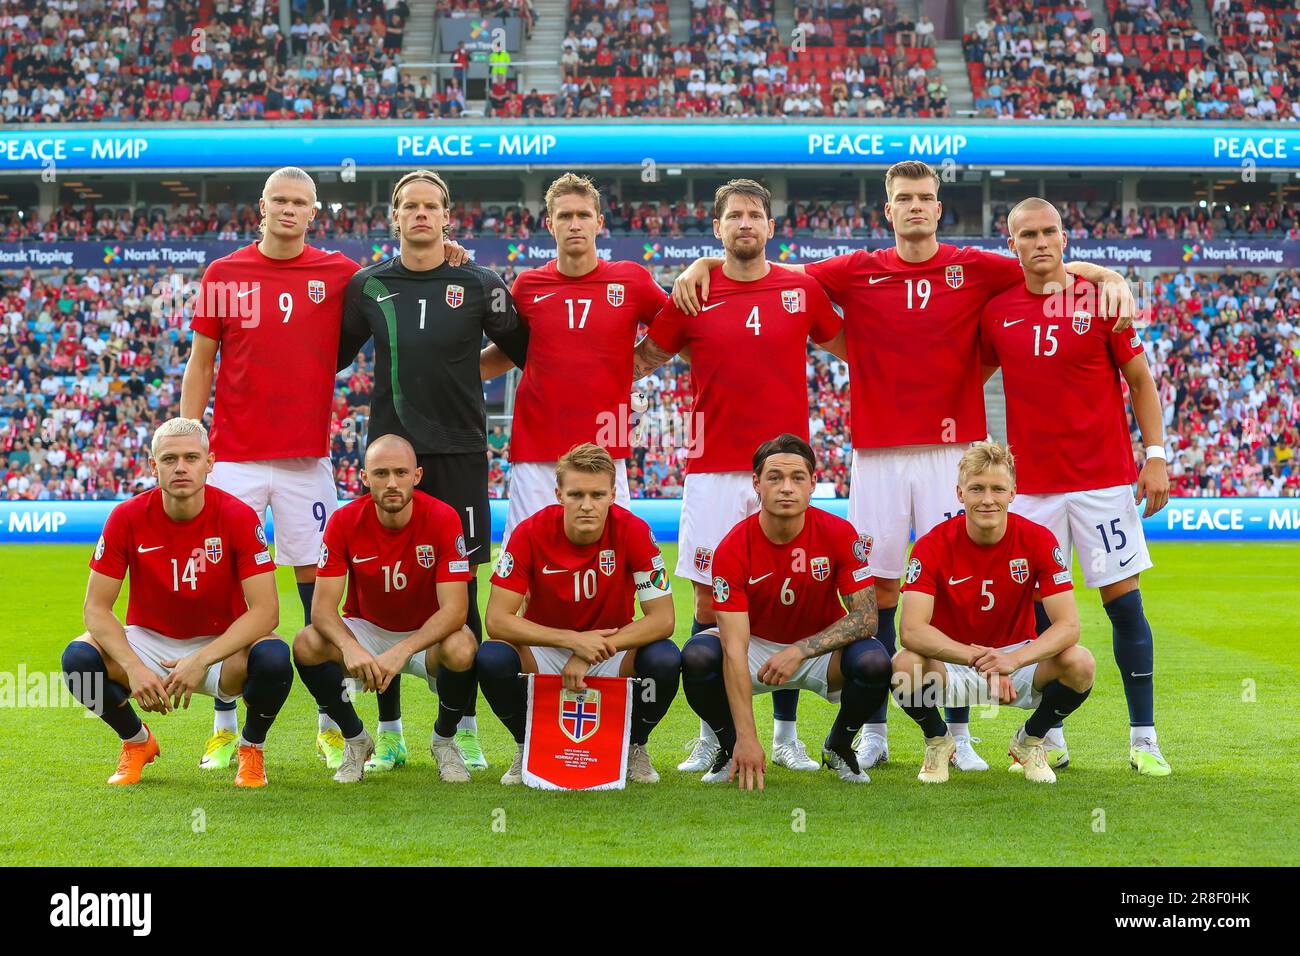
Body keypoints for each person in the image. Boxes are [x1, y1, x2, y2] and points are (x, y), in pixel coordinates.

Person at [671, 160, 1134, 773]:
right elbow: (764, 273)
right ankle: (875, 730)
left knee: (950, 592)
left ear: (939, 208)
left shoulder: (975, 266)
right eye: (902, 199)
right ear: (886, 210)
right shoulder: (855, 271)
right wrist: (704, 263)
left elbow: (1041, 264)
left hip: (952, 451)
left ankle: (960, 735)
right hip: (878, 454)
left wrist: (1105, 272)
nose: (915, 207)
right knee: (882, 588)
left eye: (925, 198)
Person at [634, 178, 846, 775]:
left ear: (770, 227)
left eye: (755, 214)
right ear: (719, 228)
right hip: (712, 471)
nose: (745, 223)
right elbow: (644, 360)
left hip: (782, 471)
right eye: (734, 216)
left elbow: (853, 346)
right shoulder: (693, 294)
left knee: (791, 601)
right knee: (708, 603)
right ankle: (715, 734)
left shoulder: (800, 289)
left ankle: (784, 736)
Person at [337, 168, 530, 772]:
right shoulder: (366, 286)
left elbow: (525, 349)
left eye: (431, 206)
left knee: (461, 590)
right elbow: (332, 359)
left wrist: (467, 375)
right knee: (378, 594)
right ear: (393, 217)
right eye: (409, 206)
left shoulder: (479, 283)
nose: (420, 215)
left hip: (461, 454)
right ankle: (388, 729)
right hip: (392, 456)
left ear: (449, 217)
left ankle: (459, 728)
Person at [980, 197, 1171, 775]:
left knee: (1126, 609)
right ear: (1011, 245)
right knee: (1043, 617)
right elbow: (970, 377)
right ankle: (1050, 734)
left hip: (1103, 484)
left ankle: (1144, 738)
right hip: (1032, 489)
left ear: (1065, 238)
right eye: (1027, 235)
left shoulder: (1103, 300)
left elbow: (1140, 380)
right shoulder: (997, 312)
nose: (1040, 243)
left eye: (1049, 232)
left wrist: (1155, 456)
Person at [181, 166, 357, 770]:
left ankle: (331, 722)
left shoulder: (338, 273)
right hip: (233, 458)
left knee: (320, 595)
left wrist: (450, 249)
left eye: (300, 203)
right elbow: (201, 361)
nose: (289, 209)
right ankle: (225, 724)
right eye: (279, 200)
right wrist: (188, 439)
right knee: (226, 585)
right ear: (262, 206)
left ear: (315, 212)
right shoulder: (223, 274)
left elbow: (399, 284)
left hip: (307, 461)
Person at [59, 418, 292, 787]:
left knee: (276, 659)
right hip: (149, 640)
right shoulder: (126, 517)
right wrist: (134, 667)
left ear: (209, 463)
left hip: (219, 648)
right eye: (168, 459)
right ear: (153, 466)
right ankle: (137, 742)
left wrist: (200, 660)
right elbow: (96, 609)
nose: (180, 467)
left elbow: (266, 611)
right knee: (78, 661)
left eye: (190, 458)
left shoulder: (237, 516)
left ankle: (251, 749)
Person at [680, 433, 889, 788]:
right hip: (754, 646)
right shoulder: (732, 547)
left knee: (876, 662)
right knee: (697, 655)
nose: (786, 488)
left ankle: (839, 745)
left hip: (818, 650)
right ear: (757, 484)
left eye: (797, 478)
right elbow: (733, 648)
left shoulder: (839, 533)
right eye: (775, 477)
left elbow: (867, 618)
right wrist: (747, 738)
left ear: (813, 484)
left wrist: (800, 650)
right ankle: (729, 747)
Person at [479, 172, 667, 542]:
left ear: (599, 222)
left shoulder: (631, 280)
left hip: (604, 450)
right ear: (550, 224)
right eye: (564, 216)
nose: (574, 224)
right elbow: (513, 352)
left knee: (614, 565)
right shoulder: (528, 285)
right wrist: (455, 367)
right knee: (527, 567)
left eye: (583, 215)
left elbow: (676, 328)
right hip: (537, 452)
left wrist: (639, 363)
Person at [478, 443, 679, 785]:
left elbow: (663, 619)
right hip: (546, 648)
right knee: (492, 657)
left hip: (611, 647)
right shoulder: (528, 533)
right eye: (576, 494)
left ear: (613, 494)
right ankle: (525, 743)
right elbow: (497, 620)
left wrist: (589, 652)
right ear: (559, 494)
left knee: (665, 658)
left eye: (598, 494)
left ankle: (634, 746)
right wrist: (572, 641)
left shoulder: (634, 532)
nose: (587, 505)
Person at [894, 441, 1094, 784]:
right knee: (904, 665)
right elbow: (911, 630)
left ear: (1013, 492)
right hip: (954, 664)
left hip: (1017, 661)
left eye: (997, 488)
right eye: (977, 489)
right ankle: (939, 742)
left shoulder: (1039, 540)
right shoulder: (931, 544)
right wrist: (978, 657)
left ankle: (1029, 741)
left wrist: (1013, 660)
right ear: (960, 493)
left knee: (1081, 663)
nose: (987, 499)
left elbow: (1068, 626)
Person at [292, 434, 478, 782]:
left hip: (423, 632)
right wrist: (350, 646)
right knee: (306, 643)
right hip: (368, 629)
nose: (391, 483)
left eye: (400, 473)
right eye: (380, 474)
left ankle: (444, 741)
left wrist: (402, 651)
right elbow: (321, 609)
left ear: (417, 476)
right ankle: (355, 739)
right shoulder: (344, 520)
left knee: (463, 644)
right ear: (364, 478)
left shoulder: (443, 517)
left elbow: (455, 610)